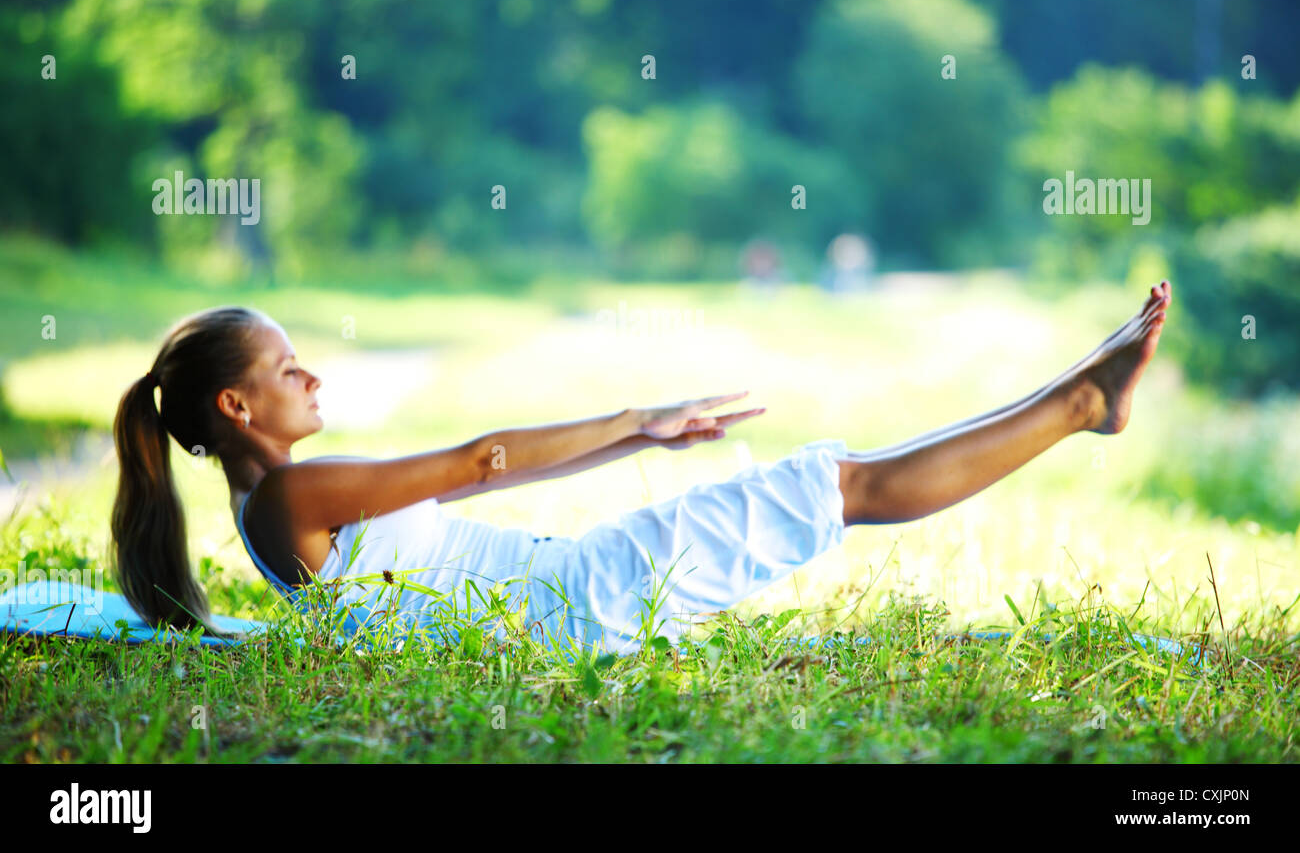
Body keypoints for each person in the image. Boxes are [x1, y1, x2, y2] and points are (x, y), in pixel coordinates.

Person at [110, 282, 1173, 655]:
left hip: (577, 587)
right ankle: (1084, 401)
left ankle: (1080, 389)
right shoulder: (295, 492)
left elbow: (481, 481)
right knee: (847, 486)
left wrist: (640, 435)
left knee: (837, 475)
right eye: (286, 366)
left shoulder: (277, 507)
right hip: (585, 602)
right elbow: (477, 457)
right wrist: (633, 411)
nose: (311, 372)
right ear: (237, 405)